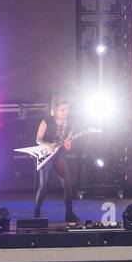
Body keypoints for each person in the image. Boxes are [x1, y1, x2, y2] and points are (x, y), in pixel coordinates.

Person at [34, 96, 79, 224]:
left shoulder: (70, 124)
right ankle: (36, 215)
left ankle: (69, 214)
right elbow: (38, 139)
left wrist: (68, 145)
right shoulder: (46, 121)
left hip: (59, 155)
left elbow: (68, 143)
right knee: (43, 186)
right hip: (46, 155)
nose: (66, 112)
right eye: (63, 110)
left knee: (68, 186)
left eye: (67, 110)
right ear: (56, 110)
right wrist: (46, 145)